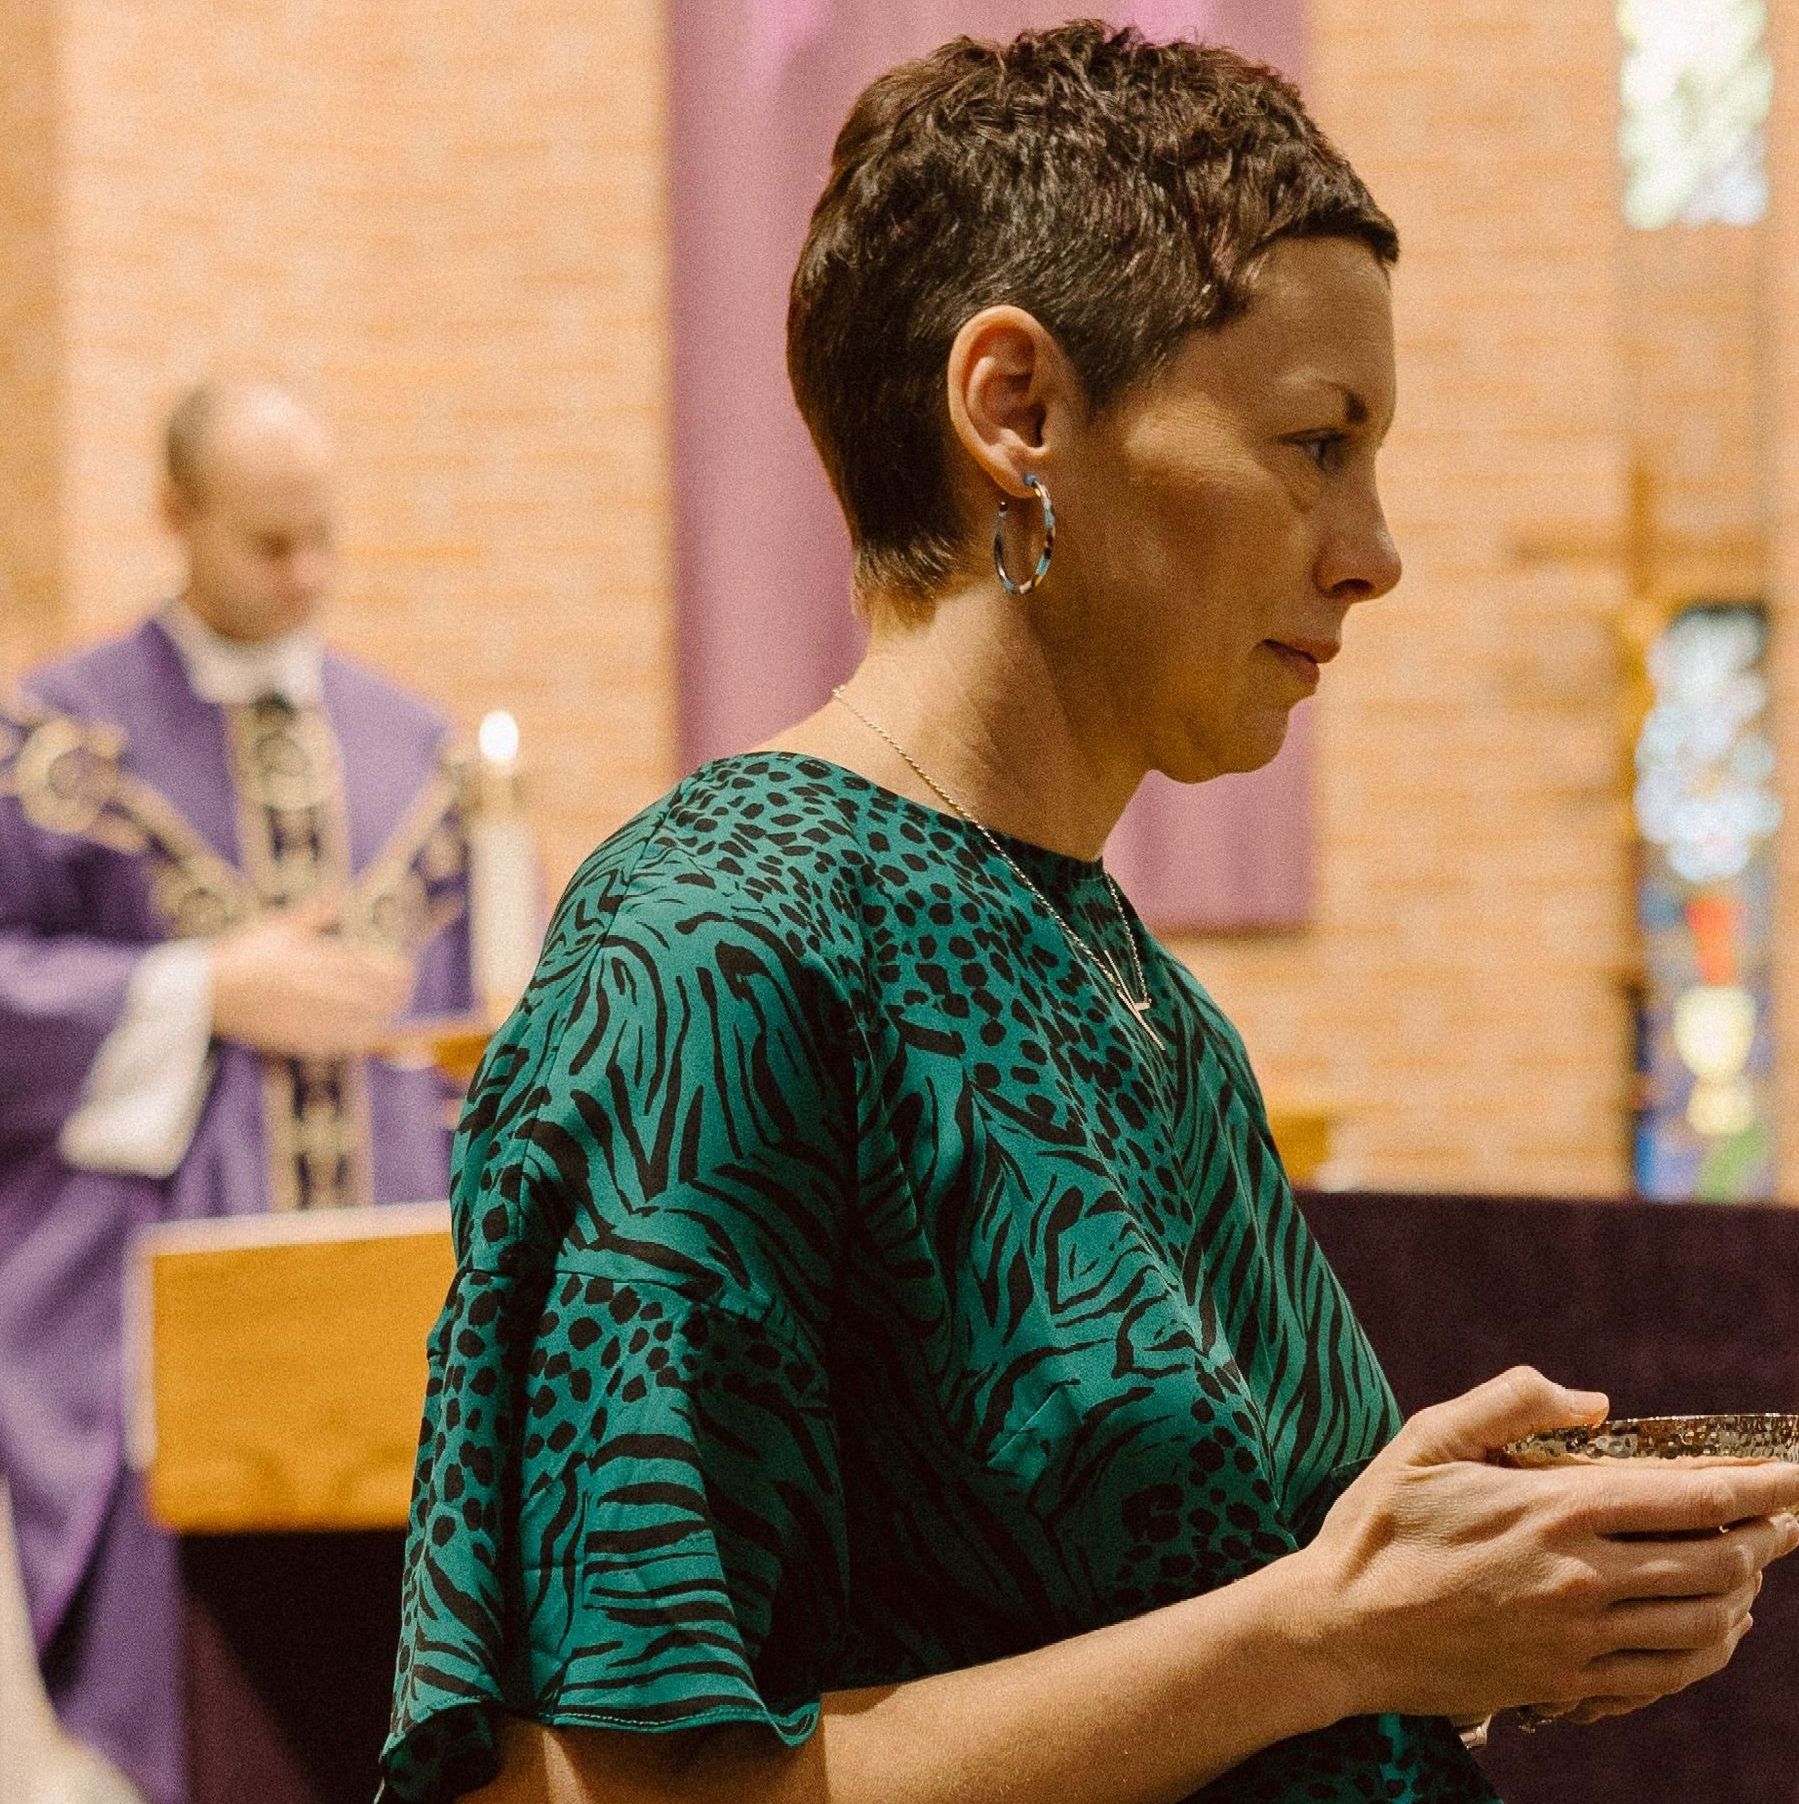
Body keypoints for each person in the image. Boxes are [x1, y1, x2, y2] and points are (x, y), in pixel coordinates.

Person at [378, 26, 1799, 1804]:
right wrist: (1337, 1638)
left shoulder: (1136, 987)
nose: (1375, 549)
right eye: (1314, 441)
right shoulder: (719, 949)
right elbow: (590, 1792)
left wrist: (1489, 1613)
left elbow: (1205, 1633)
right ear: (1018, 412)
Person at [0, 383, 475, 1804]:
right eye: (269, 543)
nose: (307, 578)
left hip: (396, 1352)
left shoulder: (420, 758)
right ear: (175, 516)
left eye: (323, 538)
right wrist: (197, 993)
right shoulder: (54, 748)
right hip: (154, 1337)